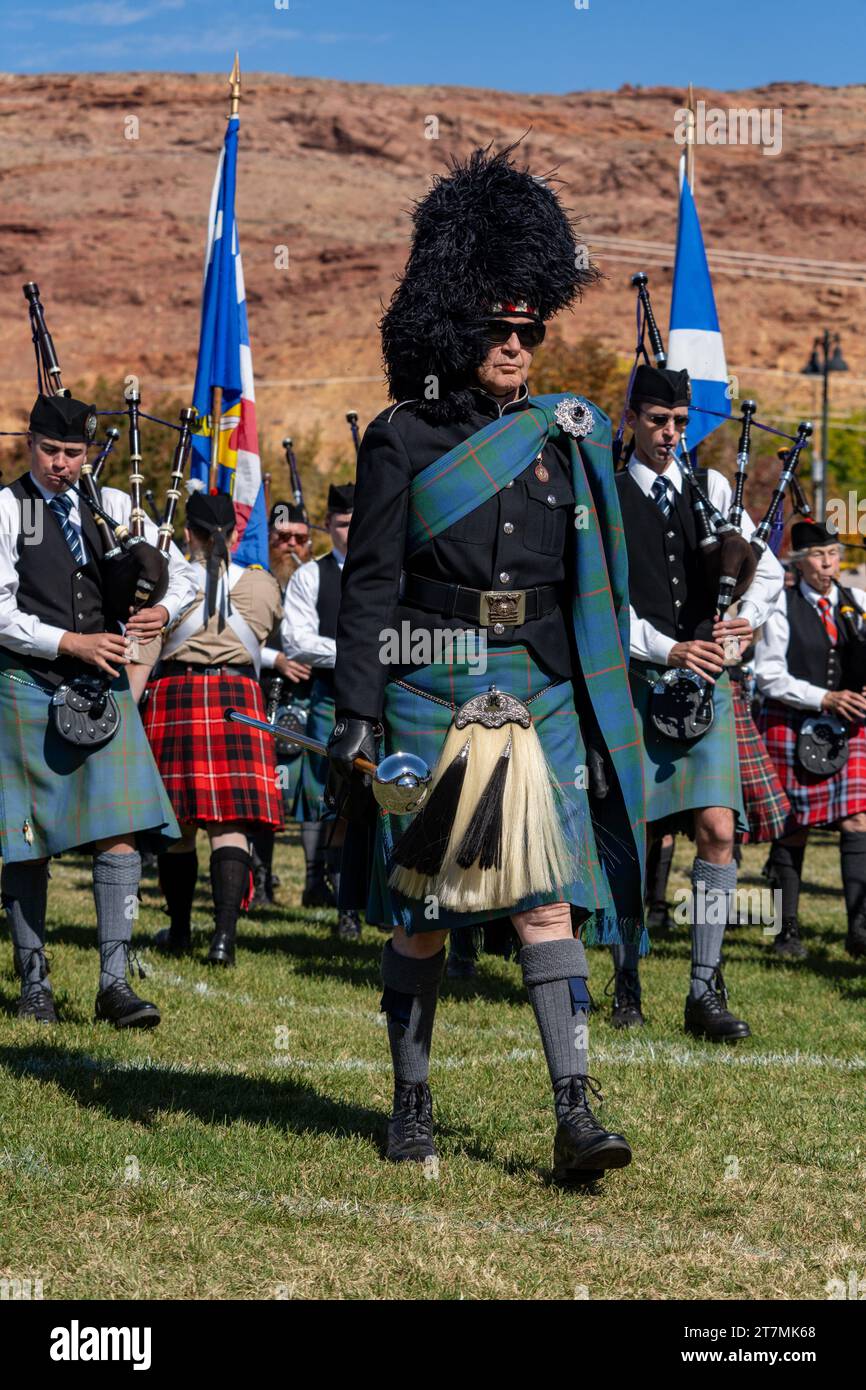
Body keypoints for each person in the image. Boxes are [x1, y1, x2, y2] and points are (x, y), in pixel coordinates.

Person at [327, 145, 646, 1182]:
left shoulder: (566, 438)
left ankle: (574, 1113)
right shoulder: (401, 441)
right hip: (428, 684)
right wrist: (360, 713)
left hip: (537, 687)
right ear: (452, 328)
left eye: (528, 330)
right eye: (497, 329)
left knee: (542, 901)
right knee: (423, 915)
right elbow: (368, 586)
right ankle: (411, 1106)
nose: (515, 347)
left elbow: (591, 584)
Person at [0, 393, 194, 1025]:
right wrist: (70, 641)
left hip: (101, 691)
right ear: (30, 444)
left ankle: (115, 982)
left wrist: (162, 609)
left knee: (119, 831)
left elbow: (183, 572)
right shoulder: (8, 509)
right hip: (28, 681)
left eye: (74, 454)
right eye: (51, 451)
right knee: (27, 840)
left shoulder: (110, 506)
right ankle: (34, 986)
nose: (62, 465)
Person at [610, 366, 784, 1037]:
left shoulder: (709, 489)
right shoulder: (609, 494)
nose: (670, 435)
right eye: (658, 421)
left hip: (706, 685)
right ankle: (626, 977)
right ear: (632, 418)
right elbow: (596, 603)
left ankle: (704, 992)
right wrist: (667, 647)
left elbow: (764, 565)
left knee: (717, 828)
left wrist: (744, 618)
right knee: (635, 835)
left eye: (680, 422)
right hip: (638, 679)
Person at [140, 491, 284, 966]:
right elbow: (265, 636)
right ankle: (224, 939)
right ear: (237, 534)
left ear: (187, 534)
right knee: (230, 826)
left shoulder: (166, 579)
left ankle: (181, 930)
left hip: (176, 696)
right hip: (238, 700)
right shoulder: (262, 587)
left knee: (178, 824)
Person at [754, 521, 866, 959]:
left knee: (857, 821)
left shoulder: (856, 602)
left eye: (834, 554)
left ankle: (859, 930)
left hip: (850, 726)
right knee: (792, 829)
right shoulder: (780, 606)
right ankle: (787, 931)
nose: (828, 563)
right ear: (800, 564)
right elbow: (769, 676)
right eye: (819, 556)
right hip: (793, 720)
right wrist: (825, 697)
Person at [281, 482, 362, 940]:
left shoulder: (389, 572)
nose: (351, 531)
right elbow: (297, 642)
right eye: (343, 524)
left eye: (357, 522)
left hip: (385, 698)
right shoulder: (310, 576)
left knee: (383, 802)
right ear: (328, 526)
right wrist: (360, 653)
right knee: (334, 805)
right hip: (331, 699)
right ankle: (342, 906)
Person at [249, 501, 313, 907]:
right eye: (282, 537)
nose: (291, 545)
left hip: (314, 695)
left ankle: (317, 882)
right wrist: (277, 660)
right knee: (264, 794)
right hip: (263, 692)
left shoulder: (318, 578)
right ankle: (260, 881)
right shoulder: (255, 580)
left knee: (313, 793)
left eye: (300, 539)